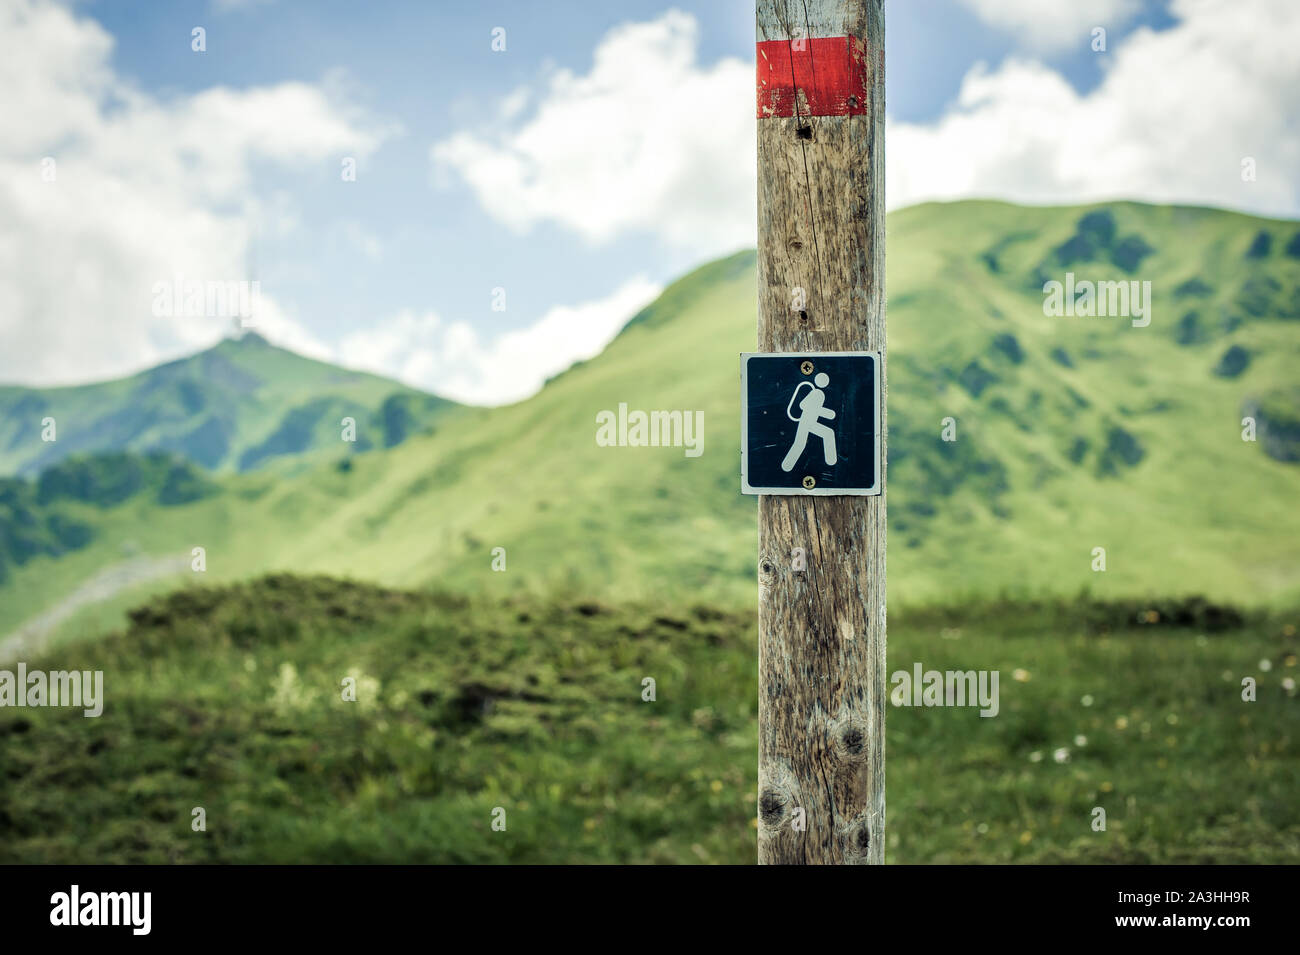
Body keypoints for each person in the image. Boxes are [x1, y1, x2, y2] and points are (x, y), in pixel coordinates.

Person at [781, 372, 837, 472]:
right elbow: (802, 405)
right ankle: (787, 466)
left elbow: (810, 407)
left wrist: (826, 413)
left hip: (812, 423)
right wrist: (825, 412)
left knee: (828, 433)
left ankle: (831, 462)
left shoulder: (821, 394)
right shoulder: (815, 393)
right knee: (800, 444)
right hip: (805, 422)